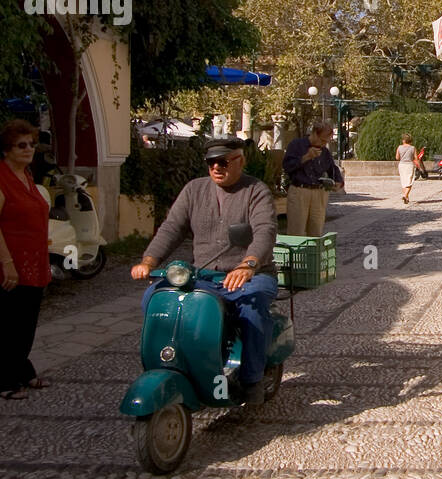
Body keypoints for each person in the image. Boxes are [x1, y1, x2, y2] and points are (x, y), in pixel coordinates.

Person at [131, 138, 279, 404]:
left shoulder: (256, 190)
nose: (216, 168)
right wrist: (149, 261)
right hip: (204, 275)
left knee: (252, 308)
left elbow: (265, 230)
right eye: (211, 163)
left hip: (252, 275)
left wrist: (249, 263)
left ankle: (252, 378)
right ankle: (182, 359)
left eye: (223, 162)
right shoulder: (193, 190)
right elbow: (172, 227)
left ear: (240, 160)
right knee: (155, 296)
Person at [0, 119, 53, 400]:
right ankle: (2, 383)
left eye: (32, 144)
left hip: (32, 265)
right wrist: (7, 262)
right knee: (5, 326)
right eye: (21, 145)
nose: (29, 149)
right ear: (7, 149)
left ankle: (22, 371)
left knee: (25, 323)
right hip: (6, 264)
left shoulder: (26, 176)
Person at [284, 122, 346, 236]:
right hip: (300, 190)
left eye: (326, 142)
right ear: (314, 134)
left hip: (318, 192)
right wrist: (306, 157)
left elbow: (332, 168)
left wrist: (338, 181)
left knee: (316, 231)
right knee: (296, 231)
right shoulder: (296, 145)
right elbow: (287, 166)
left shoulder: (324, 151)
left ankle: (313, 253)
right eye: (322, 140)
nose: (323, 144)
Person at [396, 132, 417, 204]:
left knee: (404, 181)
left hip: (401, 165)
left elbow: (397, 157)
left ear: (403, 140)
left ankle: (406, 197)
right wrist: (419, 166)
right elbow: (416, 158)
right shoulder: (413, 148)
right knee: (409, 181)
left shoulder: (399, 147)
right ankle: (405, 195)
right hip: (409, 165)